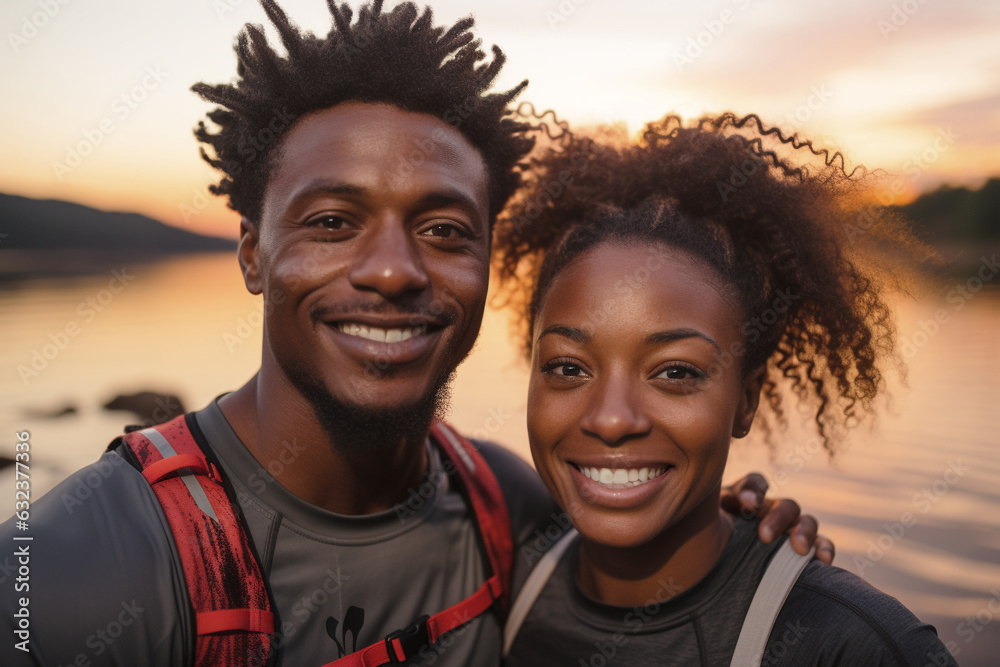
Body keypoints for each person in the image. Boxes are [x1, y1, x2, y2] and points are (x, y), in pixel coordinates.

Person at [0, 4, 827, 666]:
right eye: (332, 220)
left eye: (443, 230)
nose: (394, 270)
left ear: (488, 262)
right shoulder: (71, 572)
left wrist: (727, 534)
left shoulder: (509, 508)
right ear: (253, 252)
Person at [492, 114, 957, 665]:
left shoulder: (851, 645)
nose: (611, 419)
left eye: (676, 372)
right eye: (568, 367)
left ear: (747, 399)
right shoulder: (500, 579)